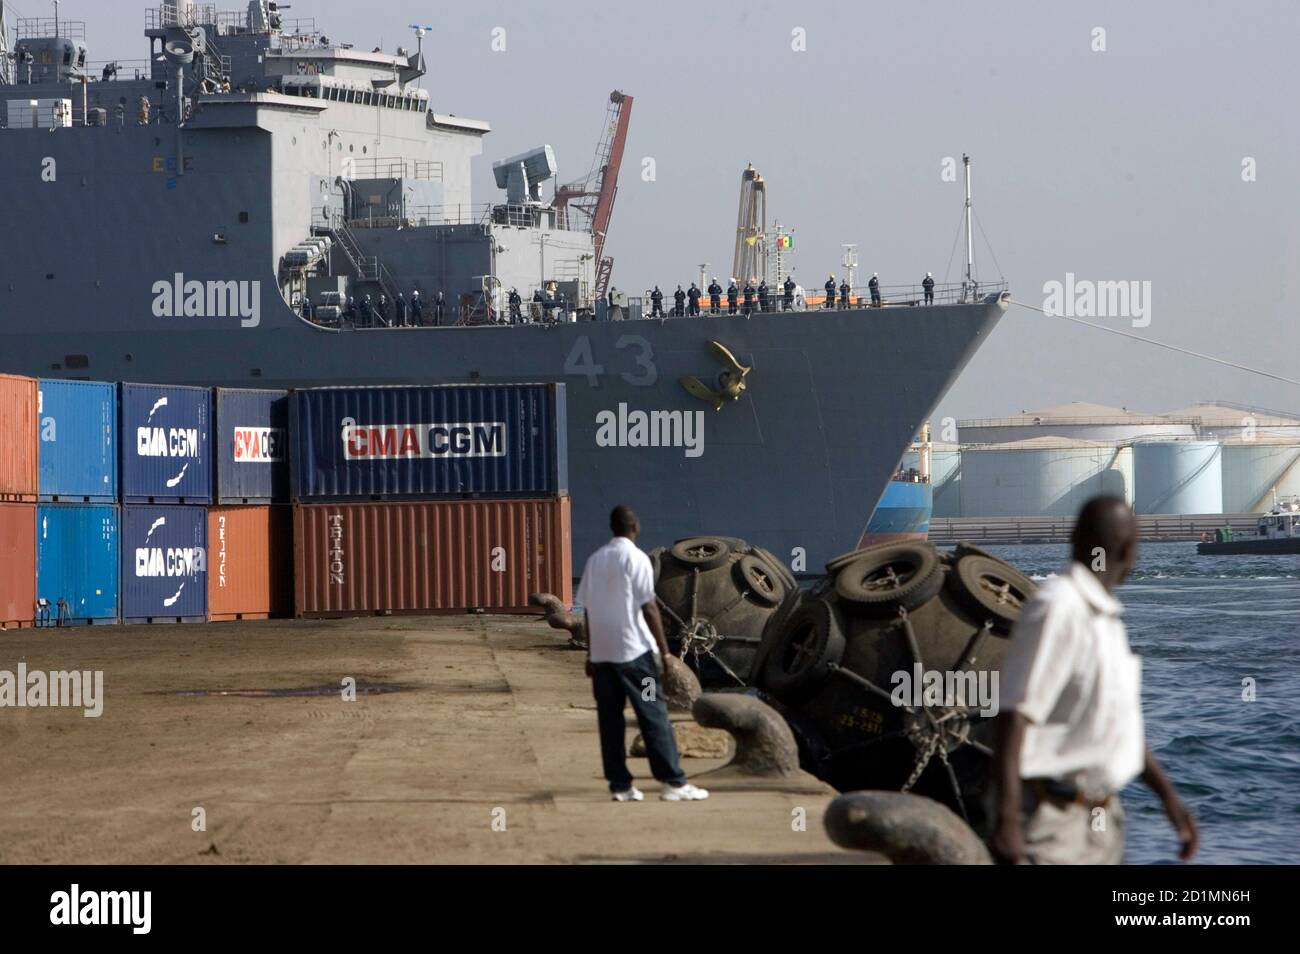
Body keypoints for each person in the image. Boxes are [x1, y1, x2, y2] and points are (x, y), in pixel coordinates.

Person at [990, 496, 1198, 865]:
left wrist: (1169, 800)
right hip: (1052, 819)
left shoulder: (1106, 619)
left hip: (1101, 819)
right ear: (1130, 551)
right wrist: (1008, 821)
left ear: (1073, 537)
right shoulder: (1058, 608)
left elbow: (1120, 729)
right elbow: (1013, 715)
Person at [576, 505, 710, 803]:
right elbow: (649, 607)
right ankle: (673, 783)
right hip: (635, 655)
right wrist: (664, 653)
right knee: (654, 715)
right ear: (634, 525)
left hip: (603, 658)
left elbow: (588, 609)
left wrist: (590, 653)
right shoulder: (636, 558)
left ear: (613, 527)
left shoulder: (595, 560)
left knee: (610, 721)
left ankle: (620, 786)